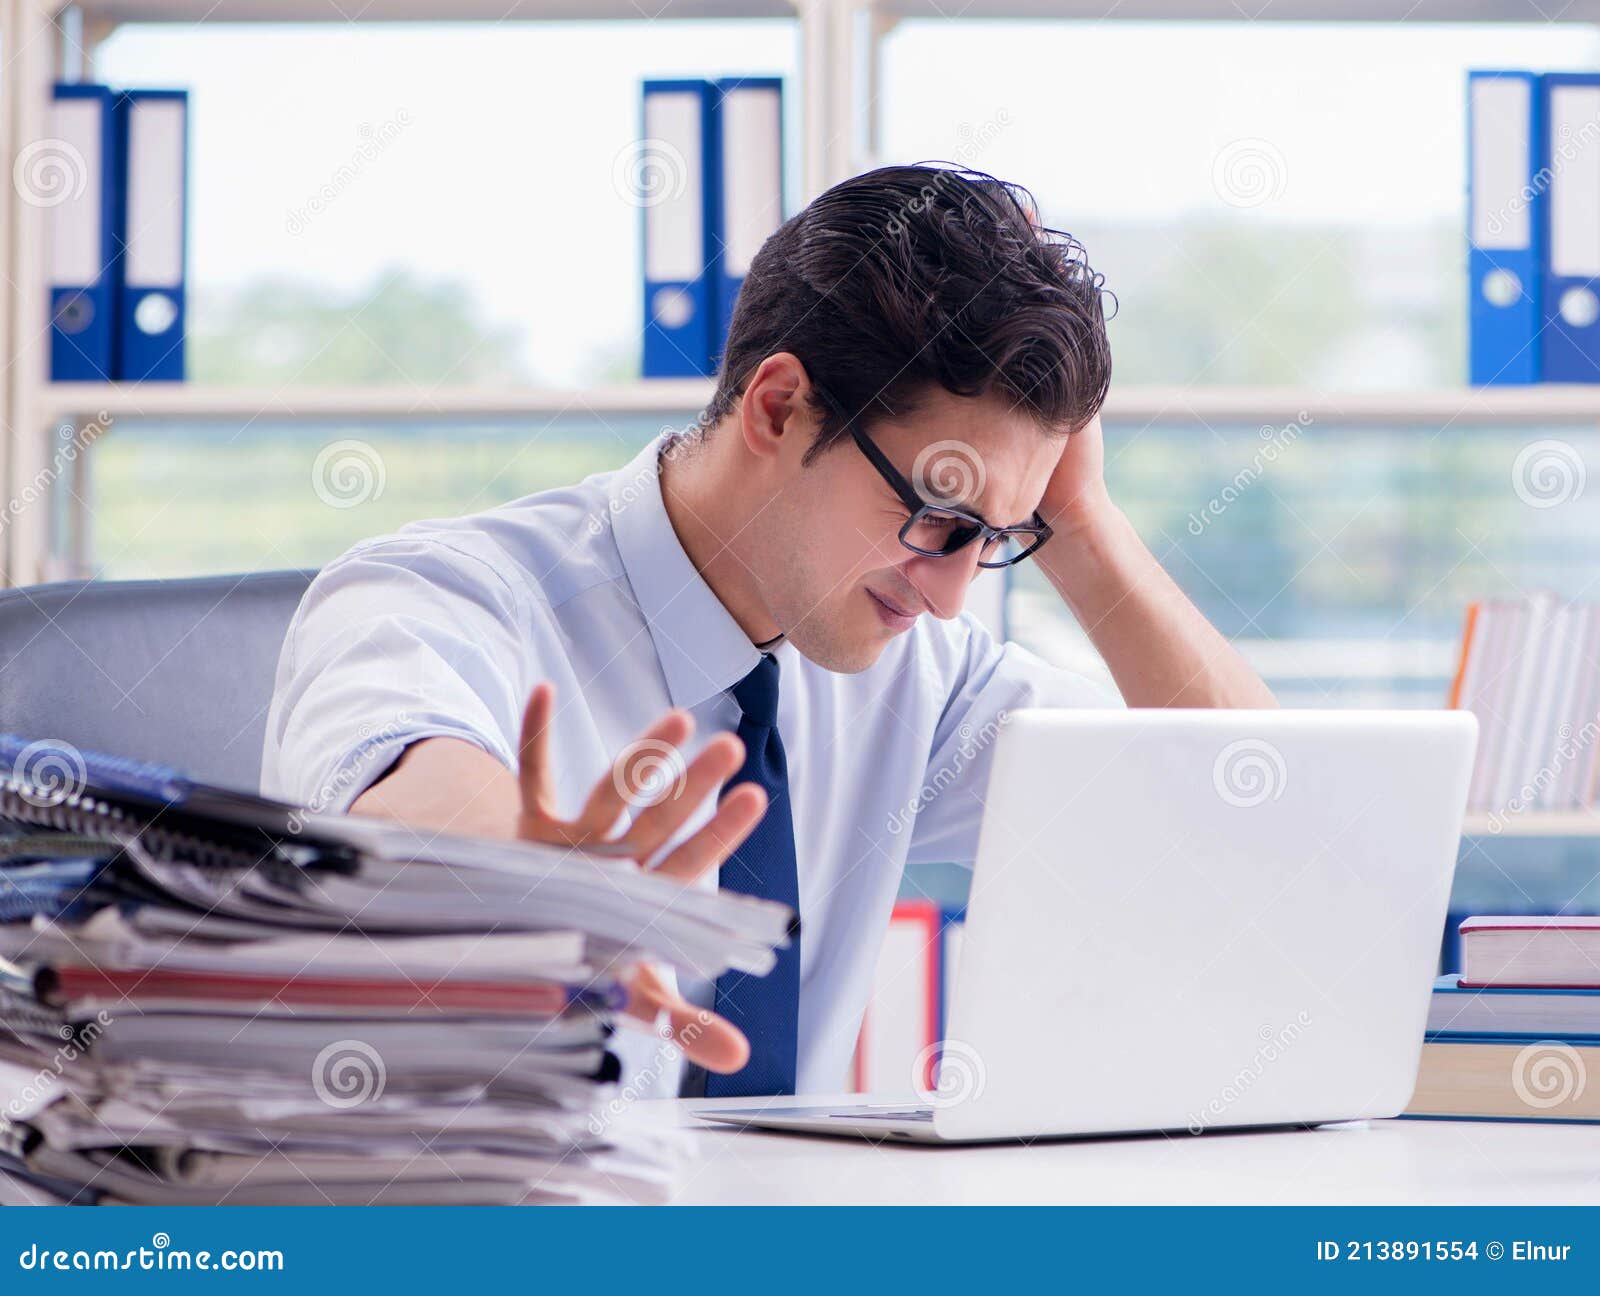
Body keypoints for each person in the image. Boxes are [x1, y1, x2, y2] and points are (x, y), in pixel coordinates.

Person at [261, 164, 1275, 1098]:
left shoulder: (915, 670)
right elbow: (418, 804)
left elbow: (1247, 812)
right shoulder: (437, 599)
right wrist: (528, 889)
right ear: (780, 407)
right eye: (938, 516)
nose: (949, 596)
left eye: (997, 539)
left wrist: (1084, 528)